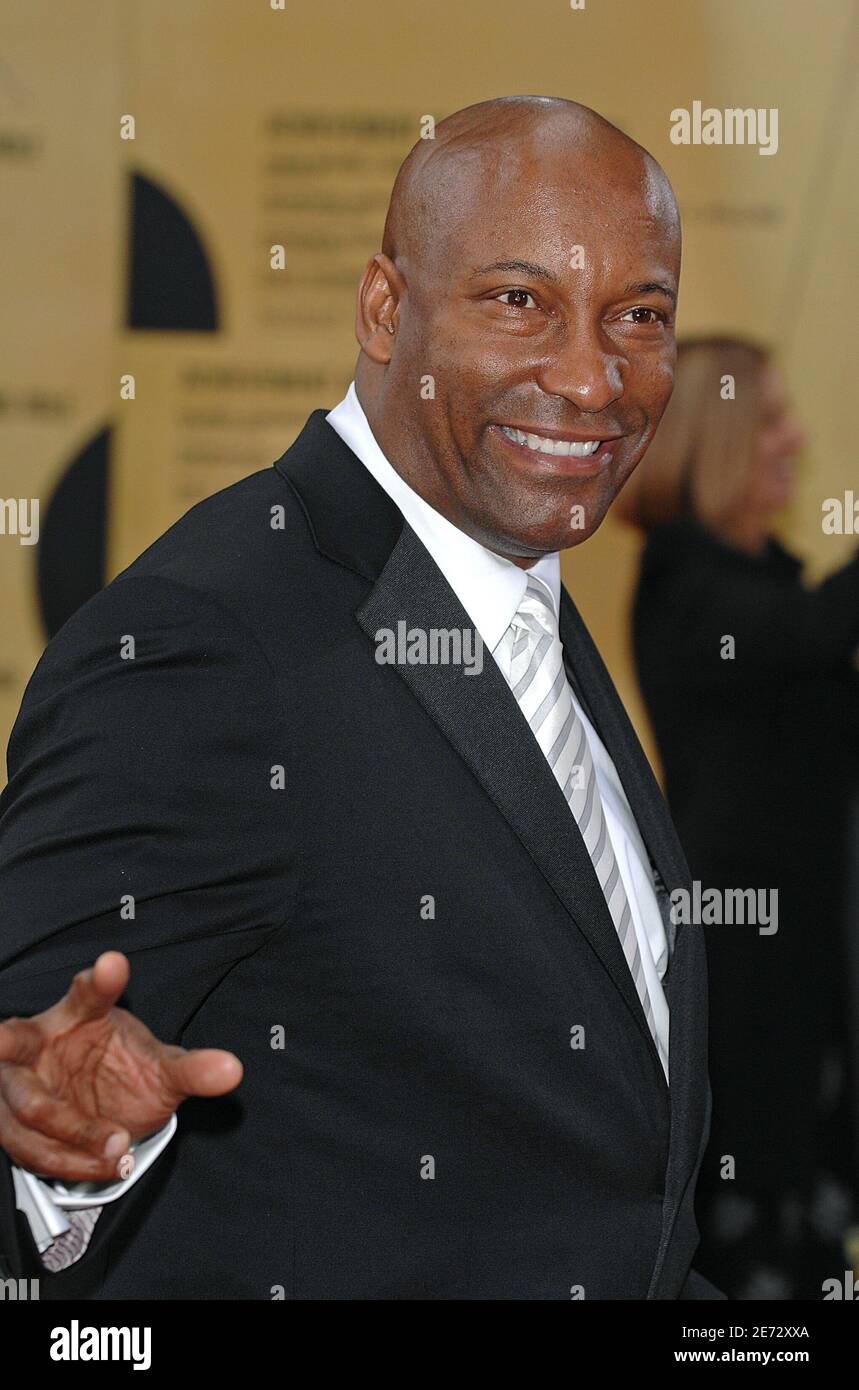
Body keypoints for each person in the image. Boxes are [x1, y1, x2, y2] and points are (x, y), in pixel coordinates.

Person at [0, 95, 720, 1300]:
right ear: (386, 311)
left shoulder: (513, 583)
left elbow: (589, 1189)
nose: (593, 379)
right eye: (517, 301)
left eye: (637, 317)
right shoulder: (211, 639)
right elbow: (38, 1059)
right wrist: (59, 1159)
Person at [615, 336, 859, 1298]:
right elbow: (808, 638)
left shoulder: (761, 585)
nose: (795, 441)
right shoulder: (688, 586)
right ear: (714, 444)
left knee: (799, 1216)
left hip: (800, 957)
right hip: (743, 956)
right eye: (770, 421)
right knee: (747, 1226)